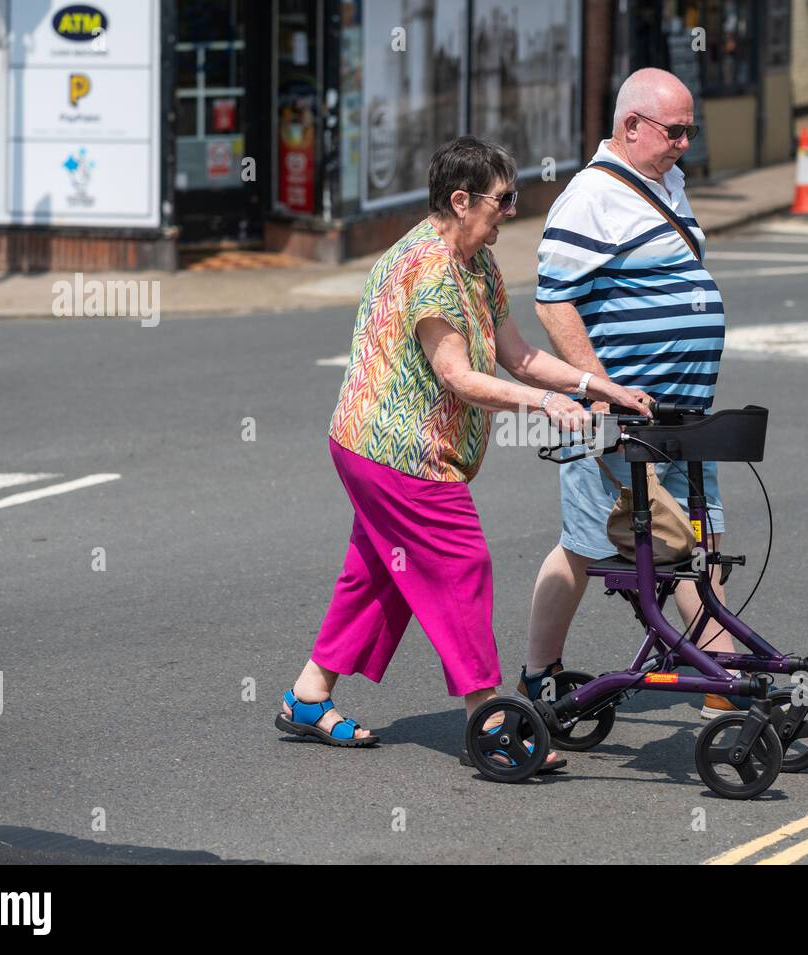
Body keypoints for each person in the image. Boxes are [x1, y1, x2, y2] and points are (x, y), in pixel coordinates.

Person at [275, 136, 651, 767]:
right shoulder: (428, 266)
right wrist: (544, 407)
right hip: (396, 449)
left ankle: (309, 695)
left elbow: (519, 356)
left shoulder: (477, 262)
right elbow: (457, 376)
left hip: (386, 446)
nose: (511, 211)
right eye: (503, 200)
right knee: (460, 563)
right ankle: (489, 717)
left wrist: (596, 386)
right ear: (461, 199)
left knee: (380, 573)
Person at [522, 68, 743, 721]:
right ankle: (545, 675)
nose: (684, 143)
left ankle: (716, 678)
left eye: (689, 131)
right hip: (620, 419)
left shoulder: (666, 182)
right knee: (613, 548)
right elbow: (552, 298)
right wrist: (598, 386)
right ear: (631, 126)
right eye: (674, 131)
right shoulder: (590, 195)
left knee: (687, 542)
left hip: (682, 414)